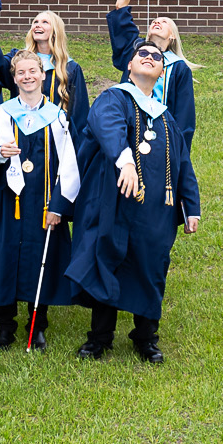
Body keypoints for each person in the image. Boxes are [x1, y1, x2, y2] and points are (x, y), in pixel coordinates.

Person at [64, 42, 202, 362]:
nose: (150, 58)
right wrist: (125, 160)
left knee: (151, 269)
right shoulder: (115, 98)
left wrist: (191, 206)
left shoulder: (166, 118)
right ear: (129, 64)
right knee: (108, 263)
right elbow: (107, 125)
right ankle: (99, 338)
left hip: (156, 212)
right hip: (116, 203)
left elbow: (183, 164)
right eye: (143, 54)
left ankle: (146, 338)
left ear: (162, 71)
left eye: (157, 57)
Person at [0, 49, 83, 351]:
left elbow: (71, 165)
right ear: (14, 78)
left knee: (42, 260)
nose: (27, 77)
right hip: (10, 201)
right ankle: (5, 327)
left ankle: (37, 326)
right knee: (5, 258)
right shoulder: (2, 113)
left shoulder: (59, 118)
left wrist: (60, 207)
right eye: (21, 73)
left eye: (32, 71)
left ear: (41, 74)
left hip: (44, 203)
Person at [109, 0, 197, 136]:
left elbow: (184, 118)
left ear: (172, 35)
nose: (157, 22)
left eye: (164, 22)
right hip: (127, 129)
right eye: (154, 20)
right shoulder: (133, 49)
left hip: (161, 137)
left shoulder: (178, 68)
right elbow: (120, 8)